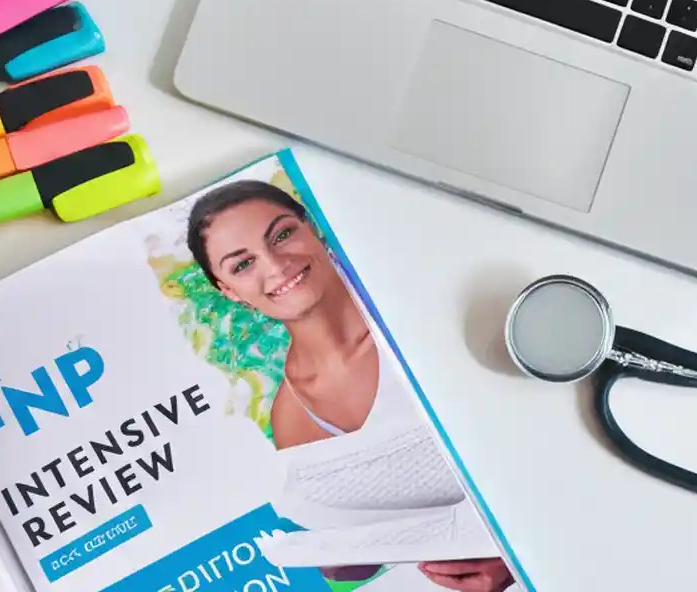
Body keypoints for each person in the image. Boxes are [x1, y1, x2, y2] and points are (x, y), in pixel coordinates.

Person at [187, 180, 515, 592]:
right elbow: (375, 541)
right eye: (242, 265)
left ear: (313, 228)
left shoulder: (421, 314)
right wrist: (347, 561)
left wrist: (515, 550)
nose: (274, 265)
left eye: (283, 234)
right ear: (229, 291)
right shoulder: (293, 417)